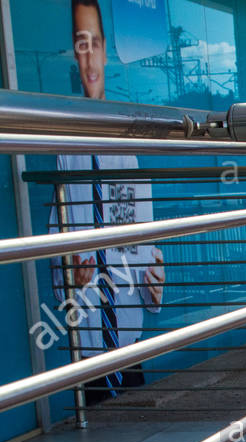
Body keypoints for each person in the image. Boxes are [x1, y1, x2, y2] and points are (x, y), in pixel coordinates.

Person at [51, 0, 165, 403]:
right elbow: (55, 244)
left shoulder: (123, 152)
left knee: (130, 417)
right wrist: (70, 277)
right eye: (79, 44)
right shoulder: (64, 151)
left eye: (95, 43)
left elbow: (137, 236)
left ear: (105, 51)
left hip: (126, 330)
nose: (88, 56)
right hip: (87, 334)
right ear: (72, 53)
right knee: (96, 416)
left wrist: (153, 278)